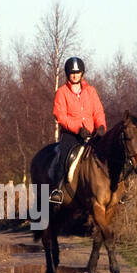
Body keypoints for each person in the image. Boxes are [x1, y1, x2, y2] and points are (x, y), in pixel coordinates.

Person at [48, 56, 105, 204]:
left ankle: (117, 188)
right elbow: (60, 115)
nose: (75, 75)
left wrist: (101, 126)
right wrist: (77, 128)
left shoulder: (90, 91)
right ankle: (57, 190)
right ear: (67, 74)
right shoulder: (61, 92)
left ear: (82, 73)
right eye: (72, 73)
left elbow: (98, 111)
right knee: (64, 156)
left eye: (78, 72)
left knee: (109, 153)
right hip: (72, 135)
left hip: (92, 134)